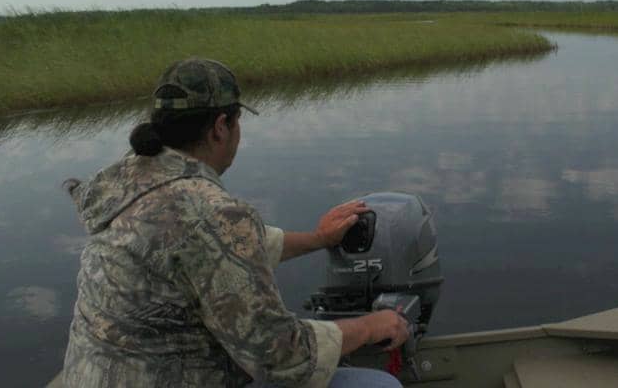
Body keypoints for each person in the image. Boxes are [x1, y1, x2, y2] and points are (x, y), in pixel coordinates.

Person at [60, 58, 408, 387]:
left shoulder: (128, 185)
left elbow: (227, 245)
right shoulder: (211, 212)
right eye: (237, 121)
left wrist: (319, 238)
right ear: (221, 127)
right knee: (380, 384)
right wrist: (370, 326)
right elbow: (283, 357)